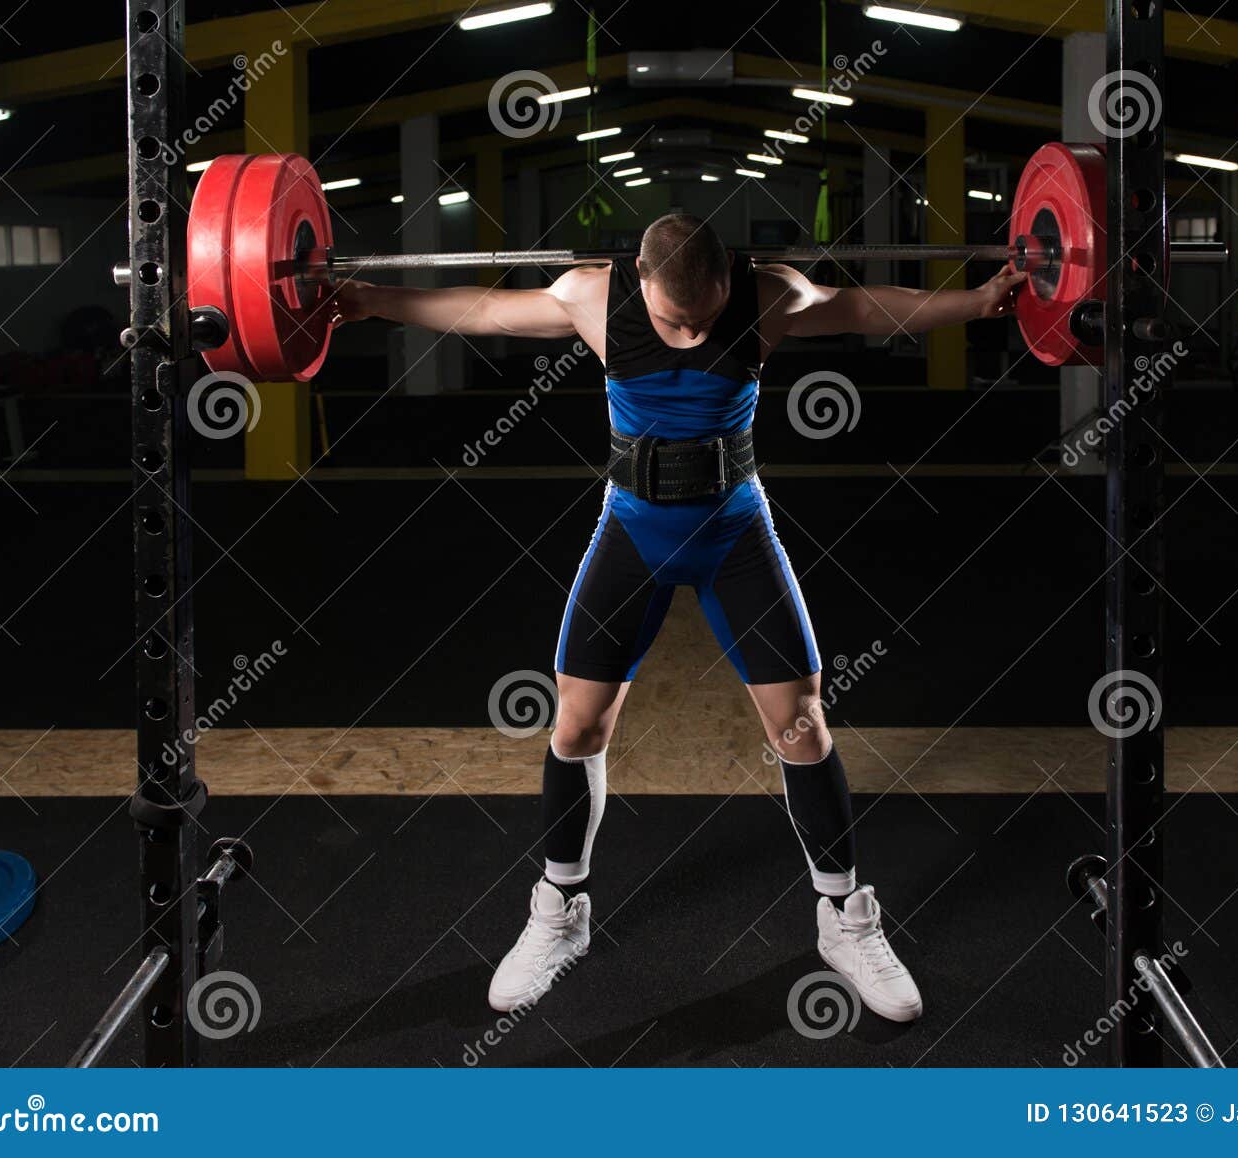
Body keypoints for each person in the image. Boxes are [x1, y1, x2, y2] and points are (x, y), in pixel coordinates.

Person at [335, 215, 1025, 1024]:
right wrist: (373, 299)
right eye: (676, 320)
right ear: (641, 278)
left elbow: (868, 307)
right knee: (576, 726)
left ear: (730, 275)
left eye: (707, 316)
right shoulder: (592, 297)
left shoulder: (770, 294)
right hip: (632, 532)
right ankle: (560, 911)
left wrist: (976, 302)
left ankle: (843, 917)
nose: (695, 332)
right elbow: (483, 311)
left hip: (736, 533)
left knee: (801, 725)